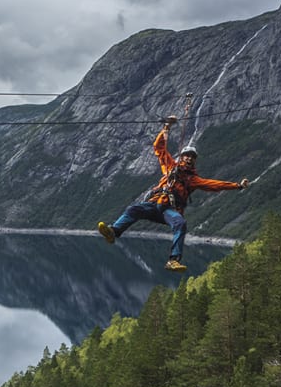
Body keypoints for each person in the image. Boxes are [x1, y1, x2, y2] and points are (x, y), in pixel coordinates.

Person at [97, 116, 250, 272]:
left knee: (180, 223)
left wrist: (237, 186)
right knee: (133, 209)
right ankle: (113, 232)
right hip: (154, 204)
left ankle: (173, 260)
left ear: (194, 161)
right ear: (181, 157)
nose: (189, 158)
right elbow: (159, 147)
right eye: (187, 156)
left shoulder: (193, 179)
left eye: (192, 157)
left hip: (169, 210)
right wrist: (166, 127)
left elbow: (215, 185)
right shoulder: (170, 166)